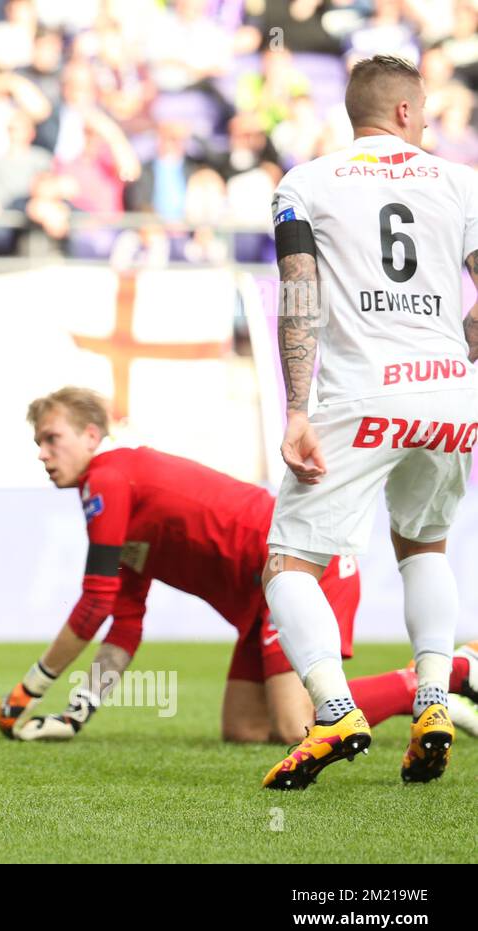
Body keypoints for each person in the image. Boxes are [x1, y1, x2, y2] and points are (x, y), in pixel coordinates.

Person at [0, 388, 478, 745]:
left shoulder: (107, 480)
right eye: (37, 442)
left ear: (91, 435)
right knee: (245, 729)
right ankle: (437, 700)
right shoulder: (117, 493)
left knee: (299, 725)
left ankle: (448, 672)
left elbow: (94, 603)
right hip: (262, 594)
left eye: (50, 438)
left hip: (299, 569)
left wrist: (30, 688)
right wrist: (75, 715)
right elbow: (123, 624)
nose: (42, 453)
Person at [261, 55, 478, 790]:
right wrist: (458, 351)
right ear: (411, 113)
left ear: (354, 112)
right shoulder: (462, 182)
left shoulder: (306, 182)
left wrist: (296, 408)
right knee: (424, 545)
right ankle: (431, 699)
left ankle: (333, 708)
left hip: (360, 394)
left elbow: (299, 293)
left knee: (290, 563)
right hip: (450, 392)